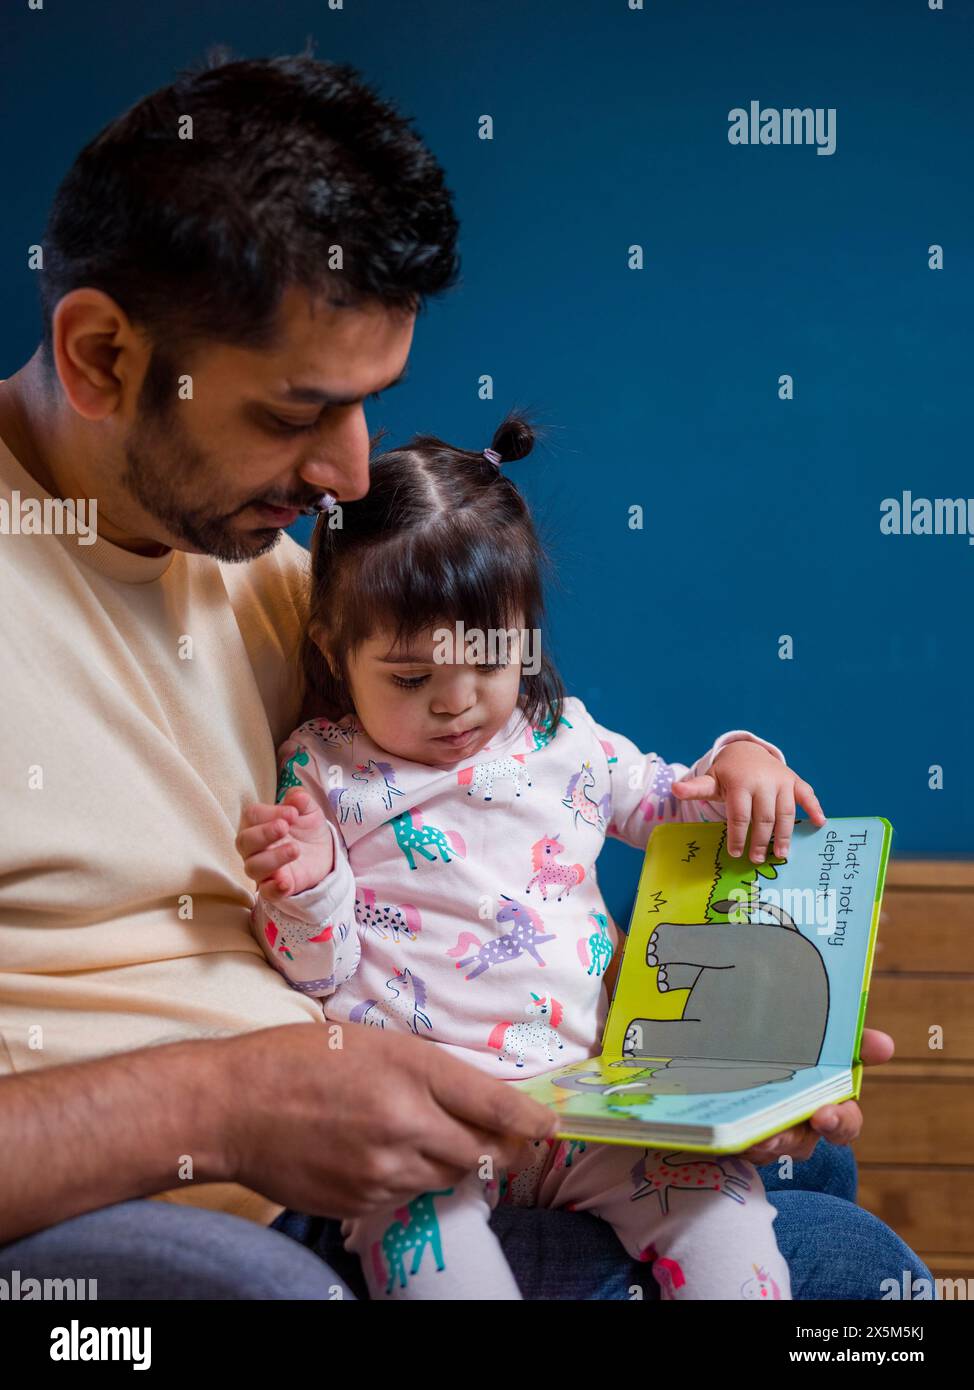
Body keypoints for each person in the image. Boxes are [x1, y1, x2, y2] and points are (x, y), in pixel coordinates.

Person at [0, 50, 930, 1301]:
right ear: (104, 356)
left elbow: (507, 804)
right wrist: (226, 1101)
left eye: (368, 406)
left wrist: (728, 1014)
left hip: (414, 1132)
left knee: (807, 1193)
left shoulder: (275, 577)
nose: (345, 475)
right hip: (188, 1230)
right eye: (294, 413)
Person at [238, 412, 829, 1300]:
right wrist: (310, 887)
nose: (456, 703)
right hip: (422, 1122)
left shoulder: (564, 738)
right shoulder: (321, 771)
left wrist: (746, 762)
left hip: (593, 1104)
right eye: (410, 678)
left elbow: (683, 808)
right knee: (427, 1257)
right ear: (333, 650)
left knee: (729, 1221)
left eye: (492, 658)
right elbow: (316, 976)